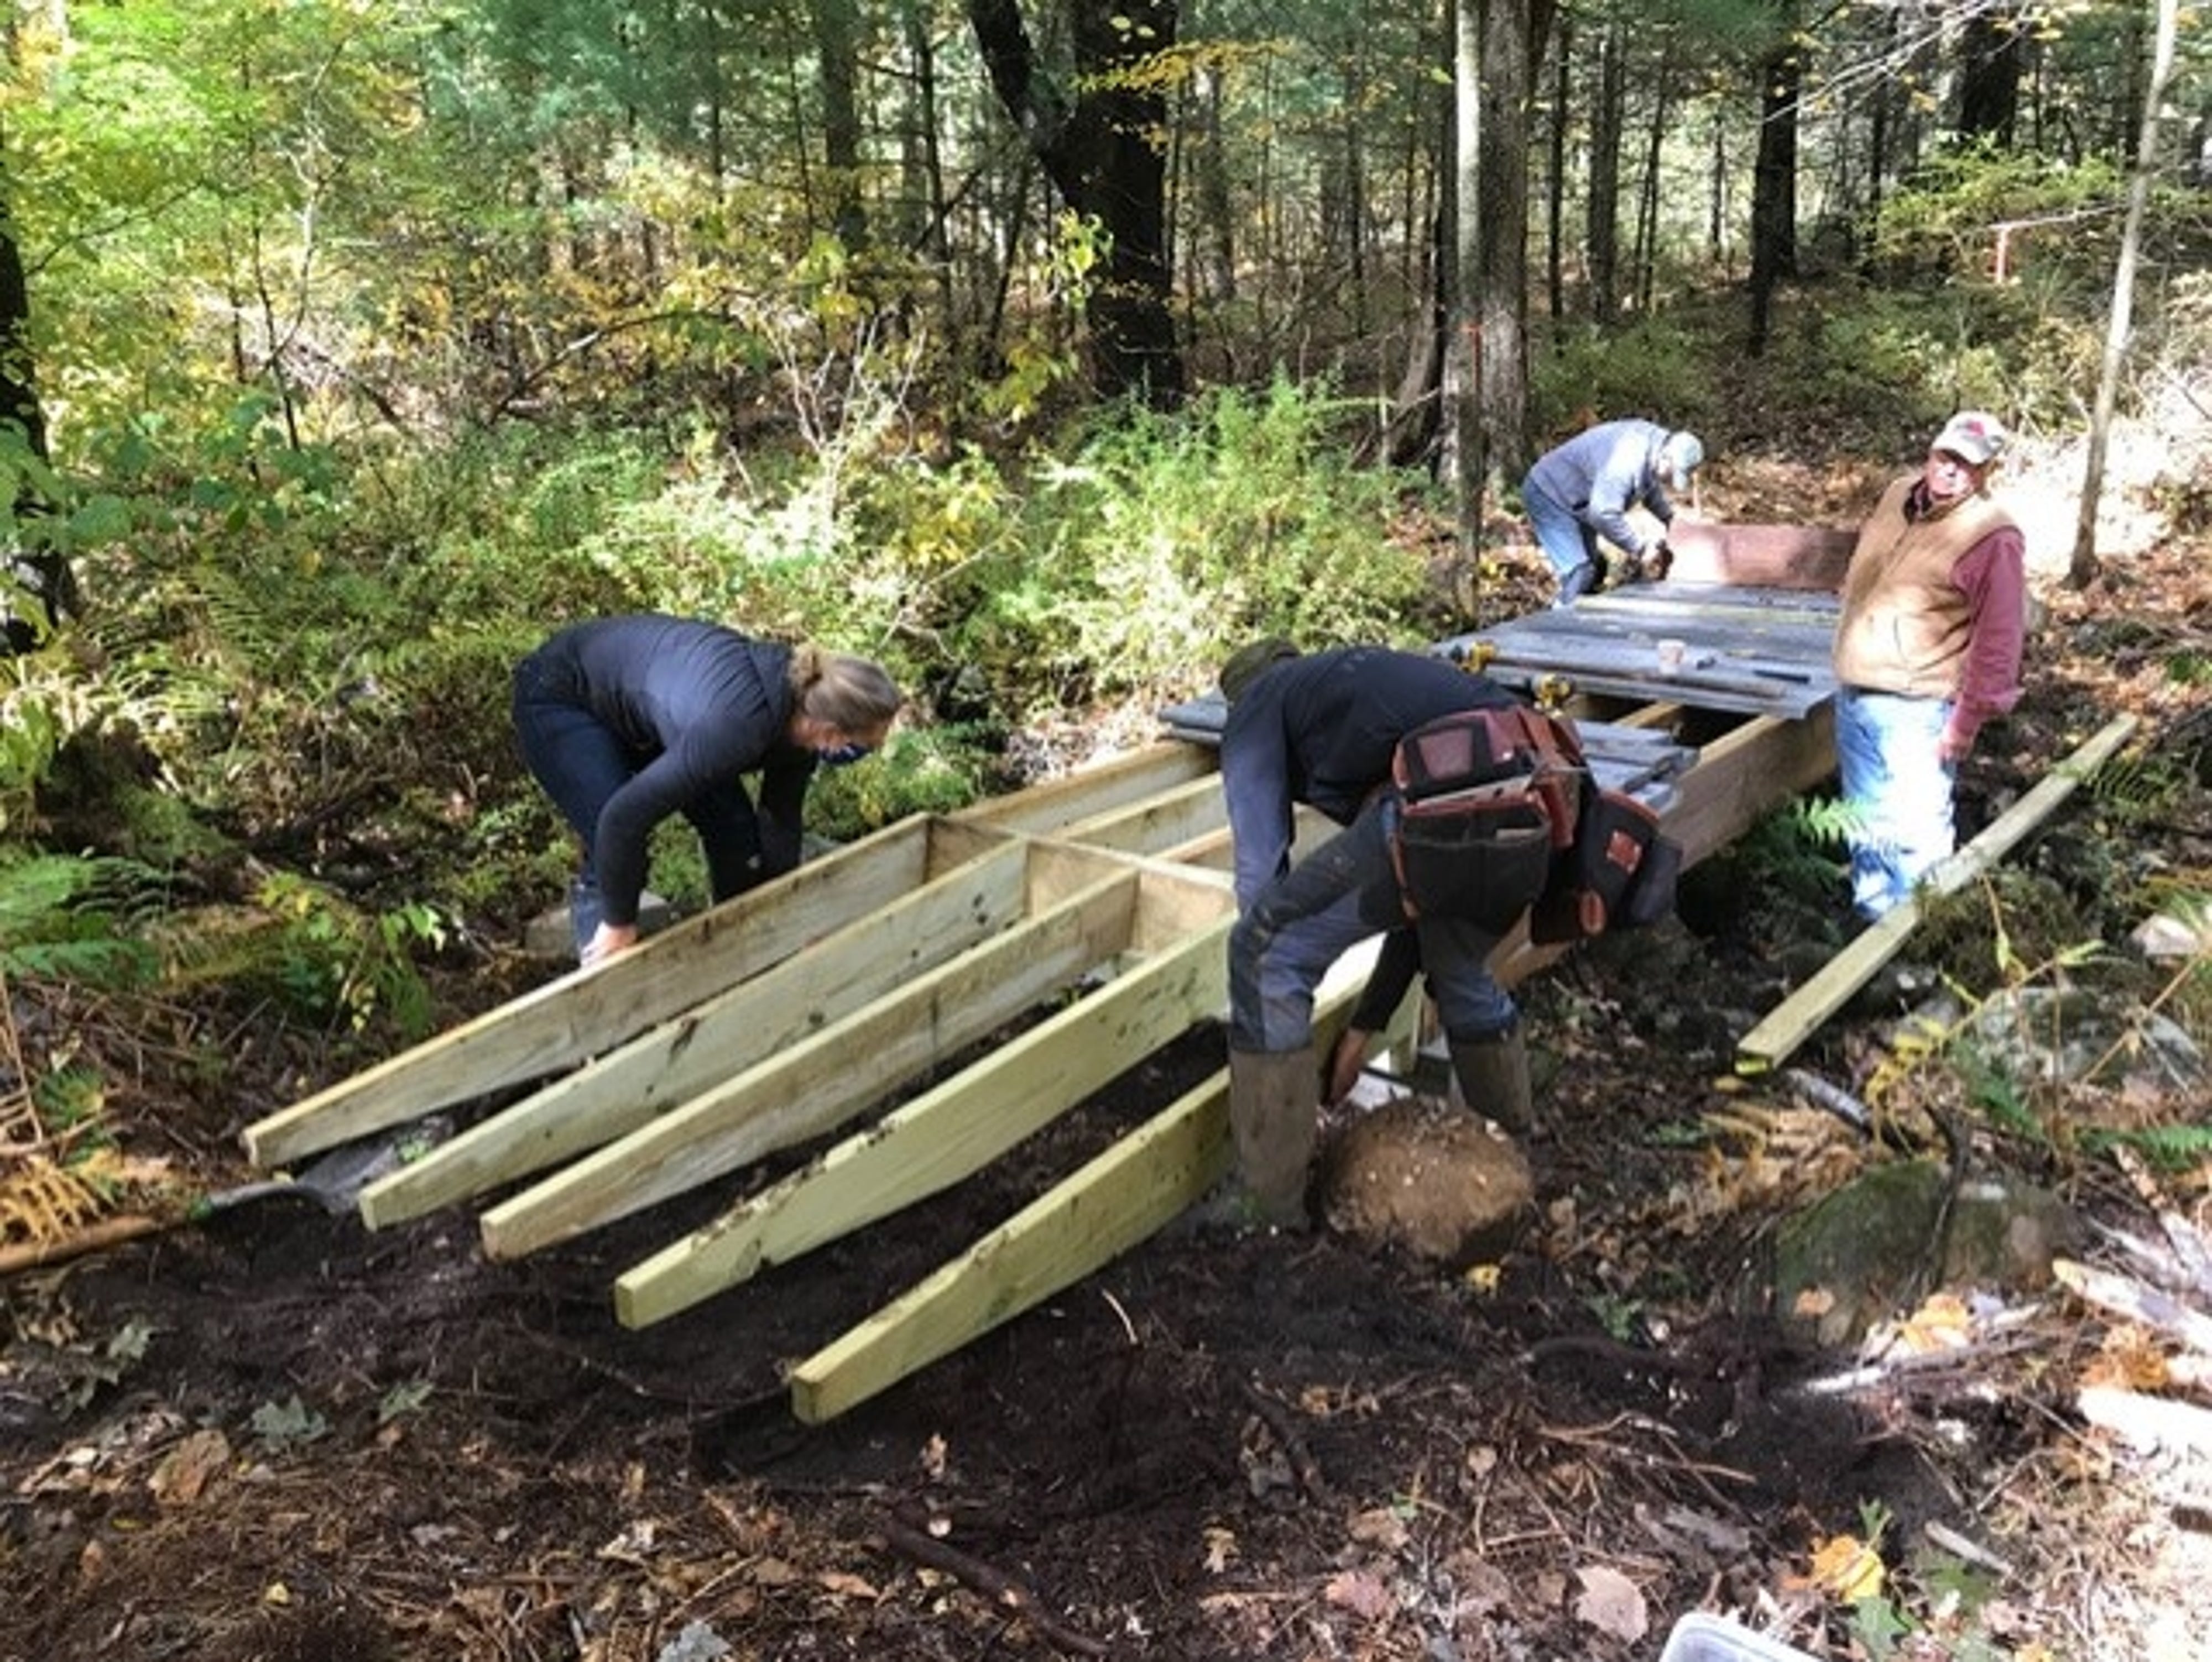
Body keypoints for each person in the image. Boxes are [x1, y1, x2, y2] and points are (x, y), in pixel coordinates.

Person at [1216, 639, 1536, 1228]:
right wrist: (1364, 1027)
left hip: (1457, 801)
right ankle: (1511, 1166)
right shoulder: (1351, 688)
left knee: (1266, 953)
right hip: (1536, 800)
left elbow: (1258, 875)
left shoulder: (1257, 704)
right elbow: (1419, 905)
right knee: (1458, 968)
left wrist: (1263, 995)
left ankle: (1267, 1210)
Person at [512, 614, 902, 966]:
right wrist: (619, 923)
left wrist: (783, 913)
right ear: (833, 735)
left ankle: (742, 963)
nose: (870, 752)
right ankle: (604, 980)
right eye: (868, 743)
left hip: (655, 717)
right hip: (564, 696)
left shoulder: (802, 724)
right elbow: (622, 818)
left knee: (736, 834)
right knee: (610, 851)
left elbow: (780, 821)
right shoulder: (739, 725)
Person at [1832, 411, 2026, 922]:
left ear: (1986, 471)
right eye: (1946, 456)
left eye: (1967, 463)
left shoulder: (1992, 536)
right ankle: (1871, 929)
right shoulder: (1899, 495)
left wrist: (1967, 721)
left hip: (1918, 707)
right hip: (1856, 689)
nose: (1951, 470)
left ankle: (1919, 938)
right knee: (1866, 824)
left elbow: (2000, 640)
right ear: (1931, 451)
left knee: (1917, 835)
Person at [1522, 420, 1705, 607]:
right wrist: (1640, 548)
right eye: (1672, 474)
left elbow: (1649, 488)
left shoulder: (1655, 447)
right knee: (1579, 574)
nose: (1669, 481)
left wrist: (1670, 520)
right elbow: (1603, 514)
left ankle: (1583, 618)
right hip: (1548, 494)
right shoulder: (1627, 460)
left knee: (1596, 570)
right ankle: (1557, 621)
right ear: (1666, 457)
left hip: (1577, 498)